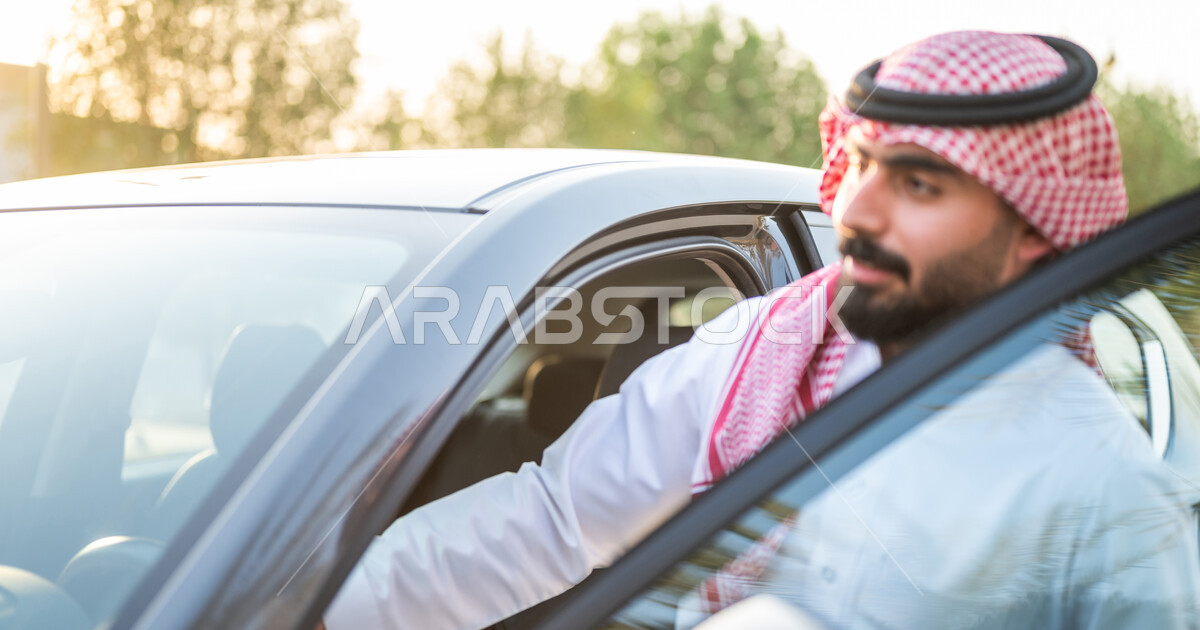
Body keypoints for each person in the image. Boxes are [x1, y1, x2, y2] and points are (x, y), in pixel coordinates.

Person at [324, 31, 1200, 629]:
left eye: (920, 185)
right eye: (858, 165)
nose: (855, 209)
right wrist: (287, 607)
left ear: (1035, 230)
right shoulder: (760, 352)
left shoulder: (1109, 499)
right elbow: (551, 519)